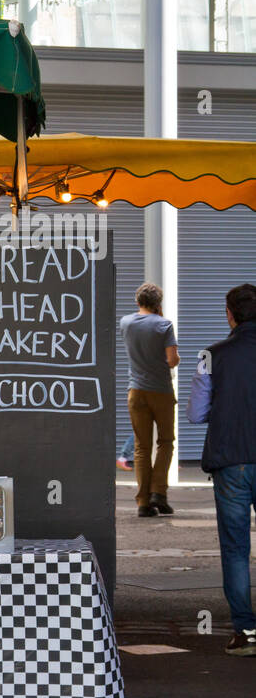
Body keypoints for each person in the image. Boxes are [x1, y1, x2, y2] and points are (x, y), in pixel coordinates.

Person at [186, 283, 256, 657]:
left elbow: (196, 413)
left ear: (229, 314)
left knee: (235, 549)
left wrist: (227, 407)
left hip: (231, 462)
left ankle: (246, 632)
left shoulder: (211, 356)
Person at [120, 282, 180, 517]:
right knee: (165, 442)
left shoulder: (125, 323)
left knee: (141, 447)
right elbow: (172, 360)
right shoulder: (164, 325)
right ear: (158, 304)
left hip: (136, 391)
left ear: (137, 301)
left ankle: (143, 502)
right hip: (161, 392)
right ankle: (159, 492)